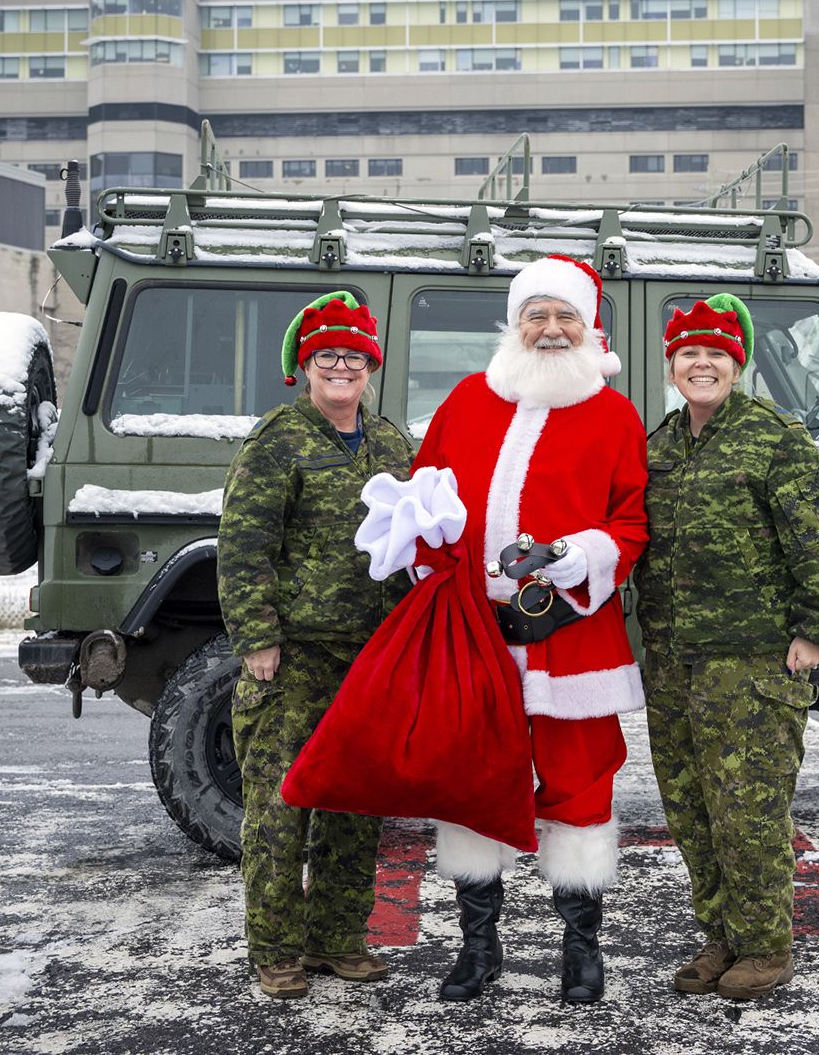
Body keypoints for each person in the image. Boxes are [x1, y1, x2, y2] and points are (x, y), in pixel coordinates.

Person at [406, 255, 649, 1003]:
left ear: (589, 326)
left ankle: (582, 950)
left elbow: (631, 522)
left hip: (571, 636)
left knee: (580, 787)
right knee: (475, 783)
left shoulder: (614, 414)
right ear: (515, 325)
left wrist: (578, 556)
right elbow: (425, 494)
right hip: (476, 636)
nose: (550, 329)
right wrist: (428, 562)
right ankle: (478, 950)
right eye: (536, 314)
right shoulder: (467, 402)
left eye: (564, 315)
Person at [633, 293, 819, 1001]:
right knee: (691, 806)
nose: (702, 363)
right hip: (673, 660)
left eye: (716, 353)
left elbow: (818, 538)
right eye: (689, 352)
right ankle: (721, 934)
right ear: (672, 364)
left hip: (751, 661)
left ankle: (764, 945)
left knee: (748, 808)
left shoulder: (773, 437)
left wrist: (816, 631)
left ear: (738, 363)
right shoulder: (659, 447)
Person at [217, 291, 414, 1000]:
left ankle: (337, 939)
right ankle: (276, 950)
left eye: (353, 355)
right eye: (327, 354)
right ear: (306, 364)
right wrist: (258, 638)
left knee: (355, 804)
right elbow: (244, 547)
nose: (340, 366)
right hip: (294, 655)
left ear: (370, 366)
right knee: (280, 804)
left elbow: (421, 532)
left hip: (369, 656)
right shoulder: (278, 440)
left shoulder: (392, 444)